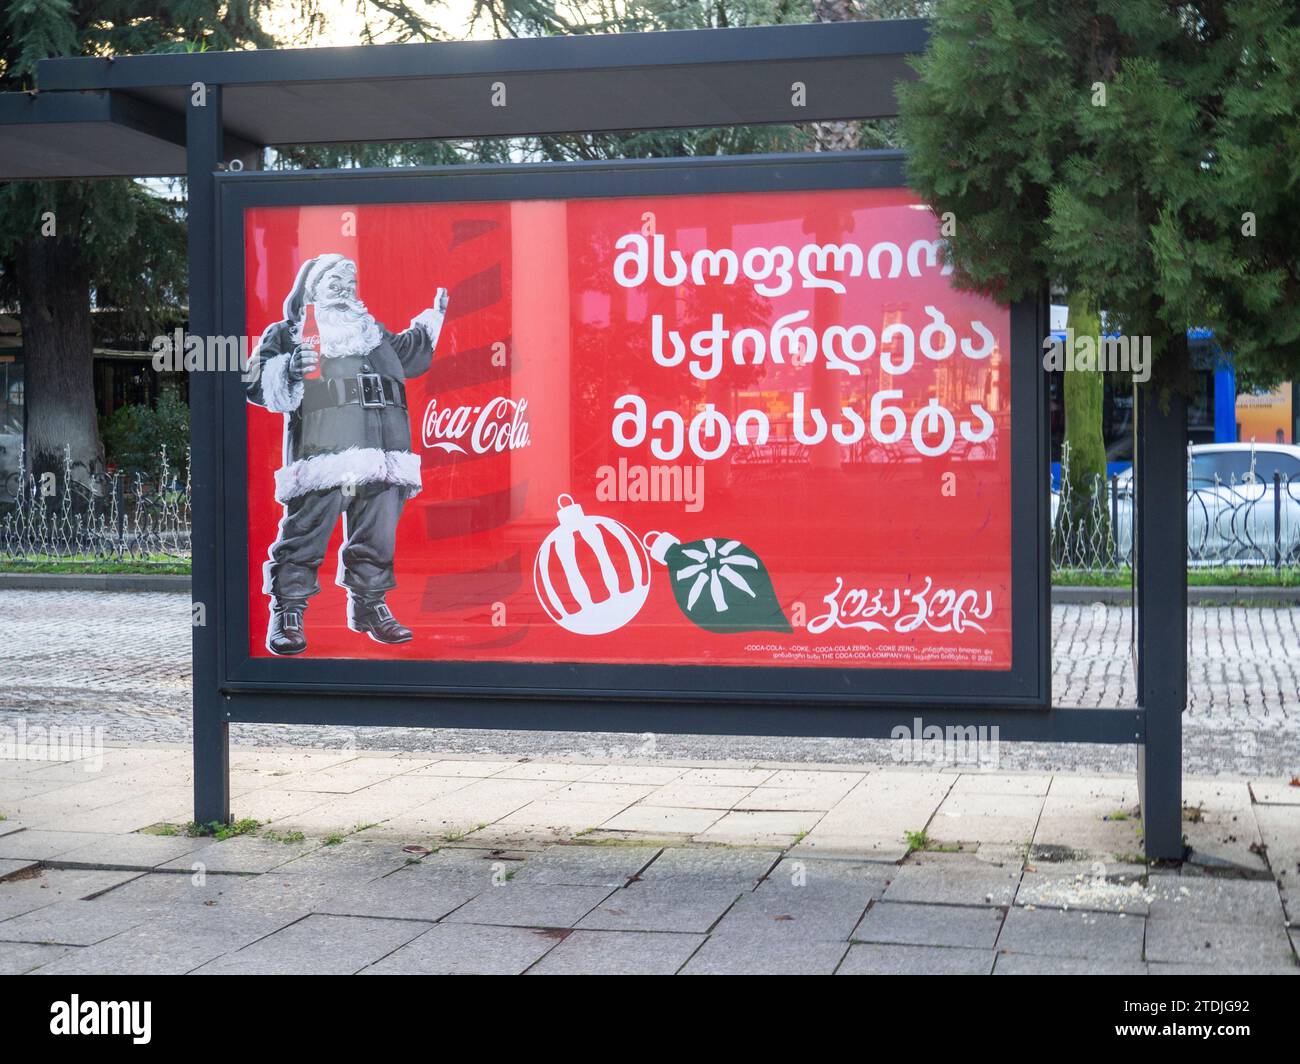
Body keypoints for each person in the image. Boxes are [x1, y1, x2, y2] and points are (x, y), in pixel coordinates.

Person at [245, 252, 448, 655]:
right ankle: (288, 611)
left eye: (350, 284)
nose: (345, 291)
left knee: (377, 536)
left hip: (384, 451)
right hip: (323, 452)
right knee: (305, 534)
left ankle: (369, 606)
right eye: (335, 283)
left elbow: (408, 354)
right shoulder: (289, 332)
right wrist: (287, 369)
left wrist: (432, 319)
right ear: (312, 288)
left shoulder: (371, 330)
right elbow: (253, 381)